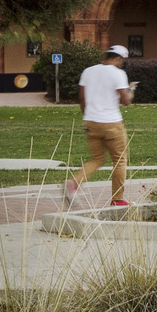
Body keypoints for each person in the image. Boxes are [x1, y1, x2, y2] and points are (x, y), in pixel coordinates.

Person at [65, 44, 134, 208]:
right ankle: (118, 199)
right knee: (119, 160)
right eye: (122, 61)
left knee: (96, 159)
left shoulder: (88, 71)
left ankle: (73, 183)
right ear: (118, 58)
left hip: (91, 121)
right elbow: (126, 101)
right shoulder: (118, 74)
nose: (121, 64)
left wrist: (87, 116)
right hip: (112, 123)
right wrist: (131, 88)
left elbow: (81, 98)